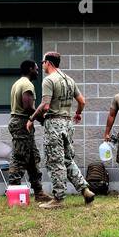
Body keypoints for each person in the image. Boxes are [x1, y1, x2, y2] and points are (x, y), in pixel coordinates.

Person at [27, 51, 95, 209]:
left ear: (48, 63)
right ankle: (85, 190)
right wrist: (77, 114)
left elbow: (45, 105)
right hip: (67, 123)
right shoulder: (69, 79)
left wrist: (32, 119)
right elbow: (82, 101)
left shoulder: (49, 80)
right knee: (67, 159)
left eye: (43, 62)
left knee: (54, 161)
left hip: (54, 124)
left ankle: (58, 198)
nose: (42, 65)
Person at [7, 59, 51, 202]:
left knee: (32, 157)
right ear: (30, 69)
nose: (38, 71)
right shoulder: (27, 84)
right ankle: (13, 192)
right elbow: (28, 107)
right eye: (36, 69)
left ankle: (39, 192)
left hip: (20, 123)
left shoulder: (17, 83)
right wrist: (41, 118)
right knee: (20, 158)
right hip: (22, 123)